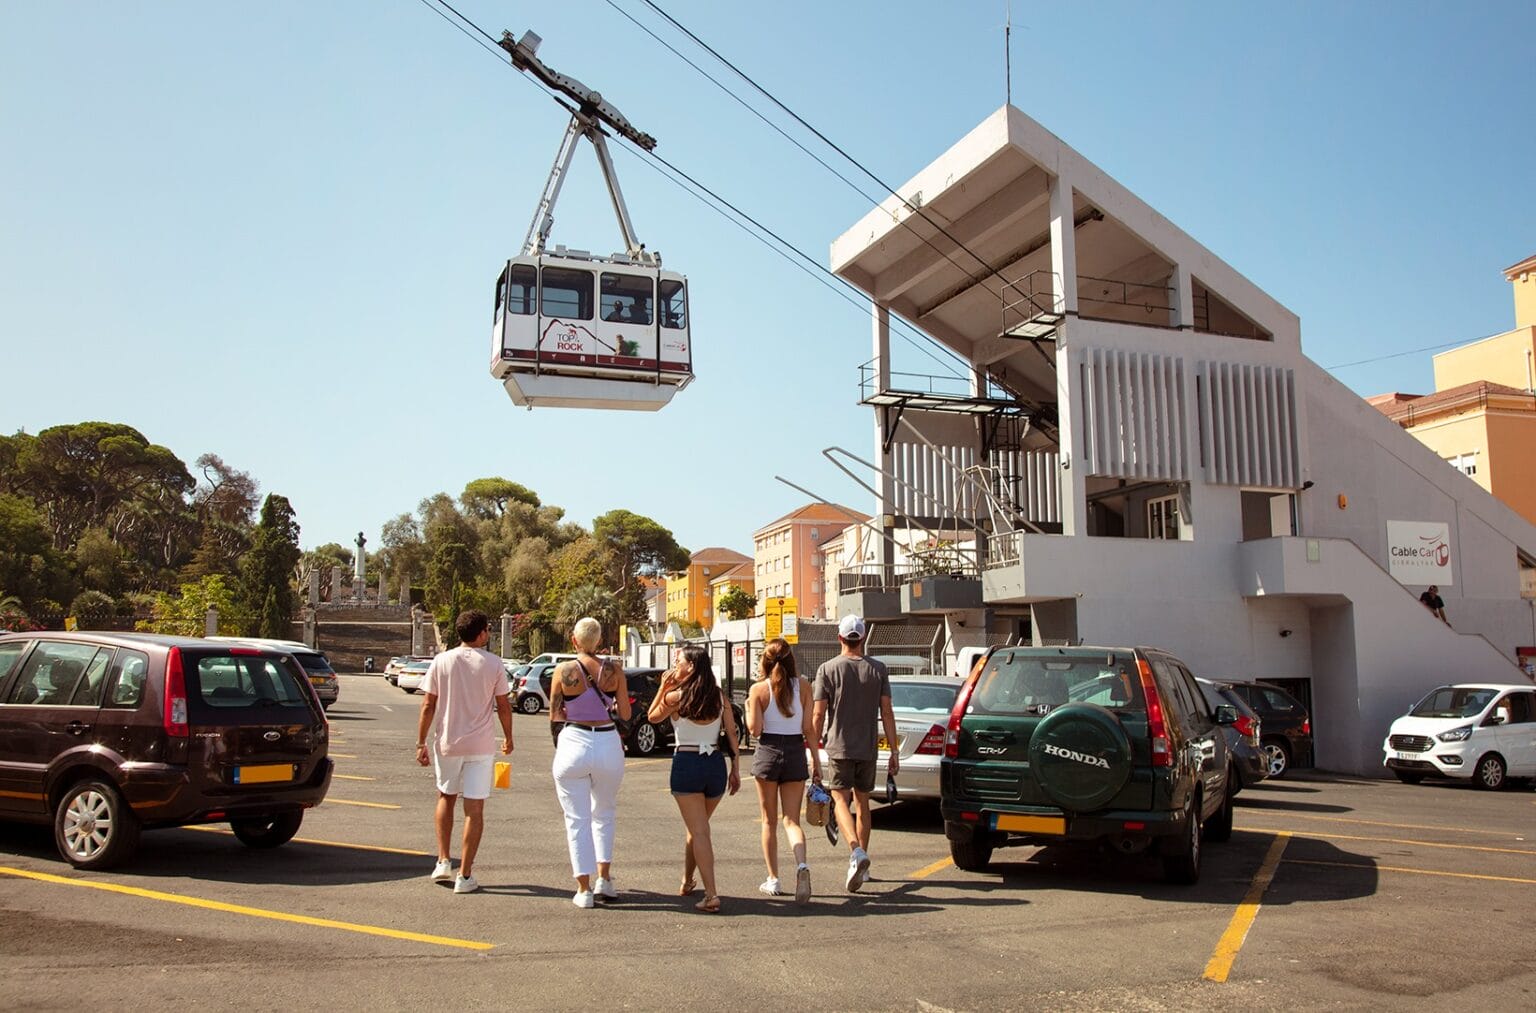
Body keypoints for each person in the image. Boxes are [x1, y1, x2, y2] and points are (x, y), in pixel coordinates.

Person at [415, 609, 513, 895]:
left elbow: (428, 704)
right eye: (487, 630)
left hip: (448, 742)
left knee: (446, 796)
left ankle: (443, 860)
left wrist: (421, 742)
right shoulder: (493, 663)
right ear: (481, 634)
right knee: (475, 808)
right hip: (480, 745)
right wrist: (508, 737)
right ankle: (465, 874)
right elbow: (503, 706)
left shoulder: (442, 661)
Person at [647, 645, 740, 913]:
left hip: (687, 762)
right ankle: (688, 880)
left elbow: (653, 717)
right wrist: (735, 767)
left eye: (679, 662)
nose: (675, 666)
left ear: (691, 667)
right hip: (714, 763)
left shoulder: (676, 696)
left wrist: (663, 688)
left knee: (699, 831)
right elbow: (731, 732)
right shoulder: (719, 697)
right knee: (697, 828)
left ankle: (711, 895)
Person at [549, 617, 631, 908]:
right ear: (599, 640)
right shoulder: (614, 670)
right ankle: (603, 879)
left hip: (574, 739)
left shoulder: (564, 670)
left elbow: (555, 713)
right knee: (604, 813)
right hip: (607, 742)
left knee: (576, 819)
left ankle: (583, 889)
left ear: (574, 640)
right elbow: (625, 714)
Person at [812, 614, 897, 893]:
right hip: (868, 748)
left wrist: (813, 748)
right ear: (863, 638)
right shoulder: (878, 669)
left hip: (839, 747)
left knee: (839, 799)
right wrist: (894, 750)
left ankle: (855, 852)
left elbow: (818, 714)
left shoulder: (827, 669)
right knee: (863, 804)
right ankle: (864, 864)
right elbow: (887, 712)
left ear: (839, 638)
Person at [746, 637, 819, 904]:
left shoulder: (758, 689)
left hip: (768, 751)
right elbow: (808, 728)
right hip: (795, 750)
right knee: (792, 821)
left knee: (769, 821)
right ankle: (802, 865)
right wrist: (816, 761)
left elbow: (755, 730)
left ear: (765, 661)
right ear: (791, 660)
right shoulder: (804, 686)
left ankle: (773, 878)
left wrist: (748, 708)